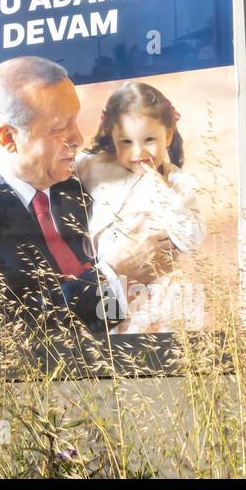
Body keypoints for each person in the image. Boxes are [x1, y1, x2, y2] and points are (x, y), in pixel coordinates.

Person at [0, 57, 173, 340]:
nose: (78, 138)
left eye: (75, 120)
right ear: (8, 137)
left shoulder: (84, 183)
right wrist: (115, 275)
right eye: (59, 127)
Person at [77, 82, 206, 333]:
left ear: (167, 135)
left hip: (159, 288)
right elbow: (60, 170)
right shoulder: (96, 165)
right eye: (125, 141)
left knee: (154, 344)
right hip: (111, 282)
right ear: (112, 137)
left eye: (149, 139)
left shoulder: (176, 183)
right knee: (111, 342)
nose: (138, 152)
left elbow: (192, 238)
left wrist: (160, 188)